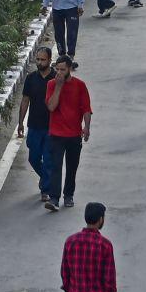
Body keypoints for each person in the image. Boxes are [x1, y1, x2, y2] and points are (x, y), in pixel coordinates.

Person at [44, 55, 92, 212]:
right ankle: (54, 198)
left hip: (73, 134)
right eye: (57, 69)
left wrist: (86, 127)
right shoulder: (52, 84)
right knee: (55, 166)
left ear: (70, 69)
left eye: (62, 69)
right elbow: (51, 107)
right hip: (56, 134)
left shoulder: (80, 85)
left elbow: (86, 108)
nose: (59, 72)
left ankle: (69, 194)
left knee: (72, 167)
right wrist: (58, 87)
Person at [17, 48, 57, 204]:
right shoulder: (31, 78)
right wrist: (20, 122)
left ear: (49, 60)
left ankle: (45, 190)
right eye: (38, 60)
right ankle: (47, 179)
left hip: (51, 127)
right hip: (33, 125)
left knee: (48, 159)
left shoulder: (56, 78)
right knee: (33, 158)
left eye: (43, 60)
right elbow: (25, 100)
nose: (40, 63)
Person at [59, 202, 116, 292]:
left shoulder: (70, 241)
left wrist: (68, 291)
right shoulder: (105, 245)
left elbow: (65, 272)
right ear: (101, 219)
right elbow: (109, 279)